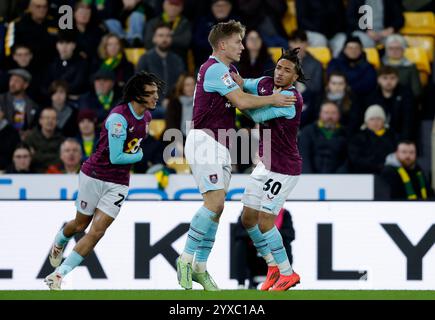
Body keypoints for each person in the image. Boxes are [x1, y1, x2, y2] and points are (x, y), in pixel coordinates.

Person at [176, 20, 295, 291]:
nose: (243, 46)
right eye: (238, 41)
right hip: (205, 138)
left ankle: (200, 267)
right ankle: (185, 258)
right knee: (215, 203)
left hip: (221, 142)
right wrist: (274, 100)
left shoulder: (227, 69)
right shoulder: (215, 69)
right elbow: (241, 102)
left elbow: (241, 100)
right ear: (222, 44)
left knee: (217, 210)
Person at [44, 72, 164, 290]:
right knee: (81, 224)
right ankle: (60, 240)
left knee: (97, 232)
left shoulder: (146, 117)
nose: (157, 96)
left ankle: (59, 275)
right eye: (152, 93)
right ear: (139, 95)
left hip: (118, 183)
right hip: (94, 176)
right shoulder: (118, 118)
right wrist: (139, 156)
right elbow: (116, 157)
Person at [232, 48, 304, 291]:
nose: (280, 73)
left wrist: (239, 99)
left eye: (287, 71)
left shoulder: (291, 100)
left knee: (265, 221)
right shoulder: (264, 84)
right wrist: (232, 78)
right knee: (247, 218)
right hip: (265, 163)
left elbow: (255, 113)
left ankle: (287, 273)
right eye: (279, 68)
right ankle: (272, 266)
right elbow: (244, 83)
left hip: (284, 168)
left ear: (295, 77)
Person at [234, 208, 294, 289]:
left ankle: (284, 281)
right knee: (240, 244)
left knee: (286, 244)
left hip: (275, 254)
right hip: (253, 255)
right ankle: (241, 285)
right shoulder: (248, 213)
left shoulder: (283, 213)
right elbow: (238, 232)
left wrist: (270, 233)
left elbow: (290, 234)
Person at [298, 101, 348, 173]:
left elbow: (346, 159)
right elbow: (304, 156)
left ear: (339, 115)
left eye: (333, 113)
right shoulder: (307, 132)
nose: (330, 116)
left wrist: (340, 176)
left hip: (338, 178)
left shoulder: (345, 133)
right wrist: (308, 176)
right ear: (320, 114)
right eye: (326, 113)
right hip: (312, 177)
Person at [348, 105, 397, 174]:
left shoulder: (392, 137)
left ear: (384, 121)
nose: (375, 122)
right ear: (366, 121)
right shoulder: (358, 138)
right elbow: (355, 159)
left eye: (378, 119)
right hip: (365, 173)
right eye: (372, 119)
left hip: (388, 172)